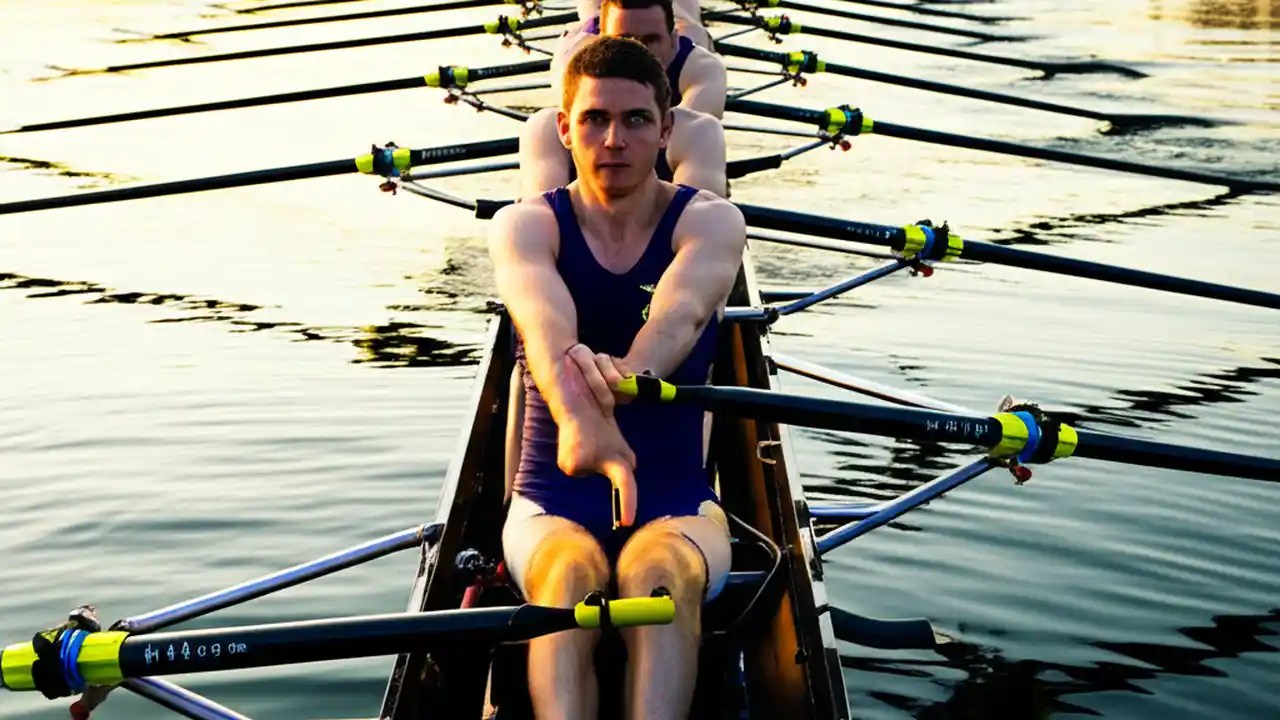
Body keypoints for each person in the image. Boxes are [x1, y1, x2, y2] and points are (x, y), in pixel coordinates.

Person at [489, 36, 746, 720]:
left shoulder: (712, 221)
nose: (614, 139)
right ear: (564, 128)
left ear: (666, 130)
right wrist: (582, 425)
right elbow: (546, 336)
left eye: (635, 120)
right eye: (595, 119)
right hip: (551, 495)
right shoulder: (524, 225)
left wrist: (620, 379)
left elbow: (682, 315)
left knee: (658, 582)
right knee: (569, 578)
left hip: (675, 495)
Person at [520, 0, 727, 198]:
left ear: (673, 41)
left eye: (651, 40)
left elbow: (690, 132)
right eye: (624, 40)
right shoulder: (573, 65)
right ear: (599, 40)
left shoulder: (702, 69)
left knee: (693, 29)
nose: (639, 52)